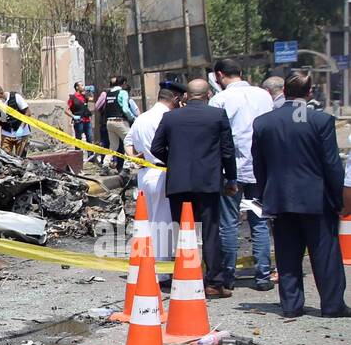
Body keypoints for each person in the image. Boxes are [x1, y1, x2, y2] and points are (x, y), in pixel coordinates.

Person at [251, 72, 351, 318]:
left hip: (280, 198)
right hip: (316, 199)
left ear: (284, 90)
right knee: (325, 254)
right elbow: (332, 165)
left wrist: (264, 195)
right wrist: (340, 200)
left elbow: (259, 164)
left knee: (287, 253)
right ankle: (332, 305)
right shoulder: (321, 121)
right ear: (310, 92)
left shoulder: (264, 122)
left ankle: (291, 305)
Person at [150, 78, 237, 296]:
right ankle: (214, 283)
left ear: (186, 96)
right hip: (208, 182)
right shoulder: (217, 115)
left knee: (182, 231)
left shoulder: (170, 117)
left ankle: (185, 278)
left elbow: (156, 147)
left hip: (178, 183)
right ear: (208, 95)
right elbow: (228, 151)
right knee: (210, 232)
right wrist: (231, 179)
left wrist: (173, 161)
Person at [210, 59, 275, 291]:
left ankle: (228, 277)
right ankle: (263, 276)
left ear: (219, 75)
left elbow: (216, 137)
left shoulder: (220, 100)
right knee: (259, 222)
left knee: (229, 223)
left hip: (232, 171)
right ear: (241, 71)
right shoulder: (264, 96)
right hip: (260, 168)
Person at [125, 81, 186, 267]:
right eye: (181, 100)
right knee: (163, 222)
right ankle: (162, 270)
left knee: (147, 221)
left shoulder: (142, 117)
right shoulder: (169, 117)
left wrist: (134, 157)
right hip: (162, 174)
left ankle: (146, 263)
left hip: (144, 174)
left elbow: (128, 140)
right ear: (175, 98)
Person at [103, 75, 137, 168]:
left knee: (113, 146)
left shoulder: (109, 93)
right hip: (120, 121)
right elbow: (125, 109)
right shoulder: (122, 92)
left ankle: (105, 164)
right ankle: (127, 166)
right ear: (124, 83)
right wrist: (133, 118)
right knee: (129, 143)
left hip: (109, 122)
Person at [0, 84, 31, 156]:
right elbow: (0, 119)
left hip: (21, 134)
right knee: (6, 158)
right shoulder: (0, 103)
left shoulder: (15, 97)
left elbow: (28, 113)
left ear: (1, 92)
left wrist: (21, 128)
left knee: (21, 158)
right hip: (6, 134)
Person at [67, 81, 93, 155]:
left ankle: (90, 156)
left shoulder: (84, 96)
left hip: (87, 121)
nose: (83, 87)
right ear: (77, 87)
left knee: (90, 138)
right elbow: (66, 110)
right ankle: (77, 155)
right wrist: (73, 117)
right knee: (78, 139)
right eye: (81, 85)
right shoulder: (72, 97)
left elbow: (92, 99)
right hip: (79, 121)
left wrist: (90, 92)